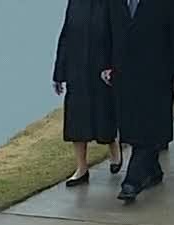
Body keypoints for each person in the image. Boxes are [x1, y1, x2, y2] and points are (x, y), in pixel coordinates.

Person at [106, 0, 174, 203]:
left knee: (151, 123)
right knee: (133, 125)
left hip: (157, 71)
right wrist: (107, 64)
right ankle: (153, 171)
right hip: (125, 72)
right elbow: (109, 32)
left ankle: (132, 181)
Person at [53, 0, 123, 185]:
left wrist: (115, 67)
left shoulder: (109, 4)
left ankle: (113, 148)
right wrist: (59, 73)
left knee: (104, 115)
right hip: (77, 70)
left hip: (101, 69)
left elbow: (118, 35)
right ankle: (81, 168)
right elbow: (66, 36)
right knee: (77, 120)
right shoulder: (75, 3)